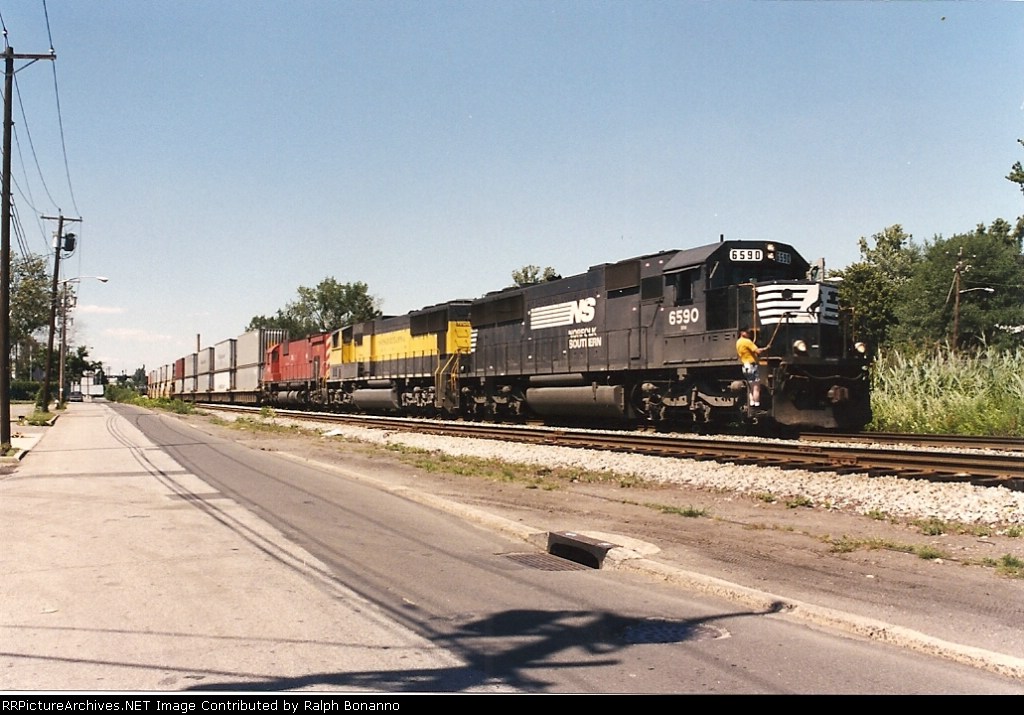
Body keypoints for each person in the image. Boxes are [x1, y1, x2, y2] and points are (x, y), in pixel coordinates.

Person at [736, 329, 762, 407]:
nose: (749, 334)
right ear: (742, 333)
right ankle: (757, 405)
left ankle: (752, 403)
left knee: (750, 387)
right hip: (752, 365)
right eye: (747, 332)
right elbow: (758, 351)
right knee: (756, 387)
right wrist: (765, 348)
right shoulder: (747, 341)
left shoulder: (738, 342)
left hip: (745, 366)